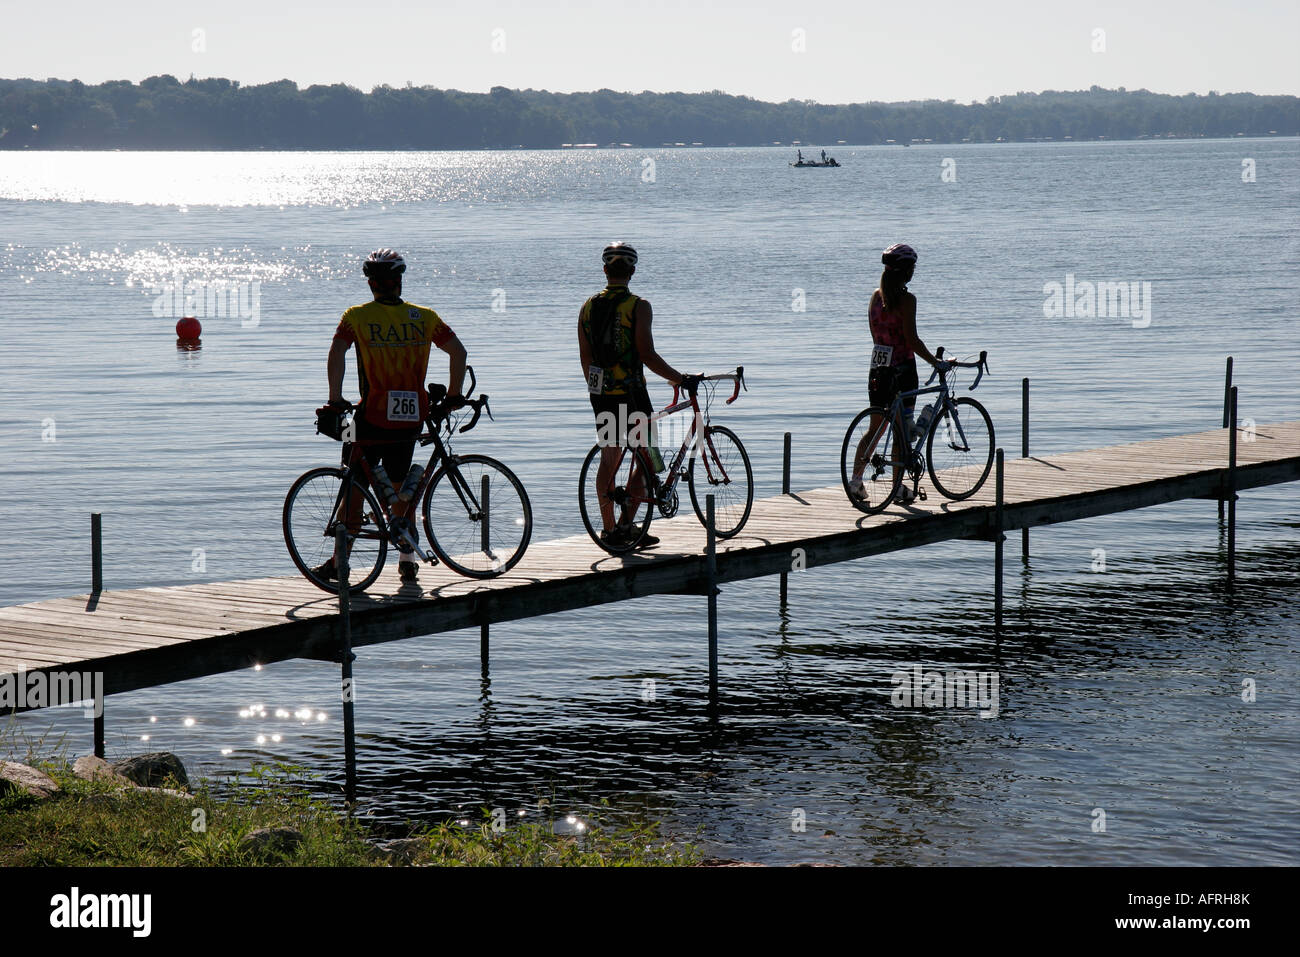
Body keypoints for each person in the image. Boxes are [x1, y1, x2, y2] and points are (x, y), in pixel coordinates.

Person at [316, 249, 467, 583]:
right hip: (411, 417)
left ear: (371, 284)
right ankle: (407, 558)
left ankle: (339, 564)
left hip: (371, 417)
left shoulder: (355, 316)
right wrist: (454, 395)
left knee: (355, 491)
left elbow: (337, 352)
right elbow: (459, 352)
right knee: (400, 490)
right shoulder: (425, 316)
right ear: (399, 281)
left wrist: (335, 397)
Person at [578, 242, 690, 550]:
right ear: (633, 272)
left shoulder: (587, 306)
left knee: (609, 460)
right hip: (633, 394)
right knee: (649, 459)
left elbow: (585, 358)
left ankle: (609, 529)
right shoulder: (639, 306)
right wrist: (678, 378)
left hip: (601, 394)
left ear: (604, 271)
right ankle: (628, 523)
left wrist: (599, 389)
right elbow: (647, 354)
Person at [848, 243, 947, 504]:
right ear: (905, 271)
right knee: (901, 435)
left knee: (876, 430)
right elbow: (912, 340)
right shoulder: (907, 300)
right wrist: (935, 362)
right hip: (903, 371)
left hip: (878, 370)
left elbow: (875, 336)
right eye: (912, 267)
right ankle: (896, 488)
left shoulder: (875, 298)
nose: (914, 271)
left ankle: (856, 481)